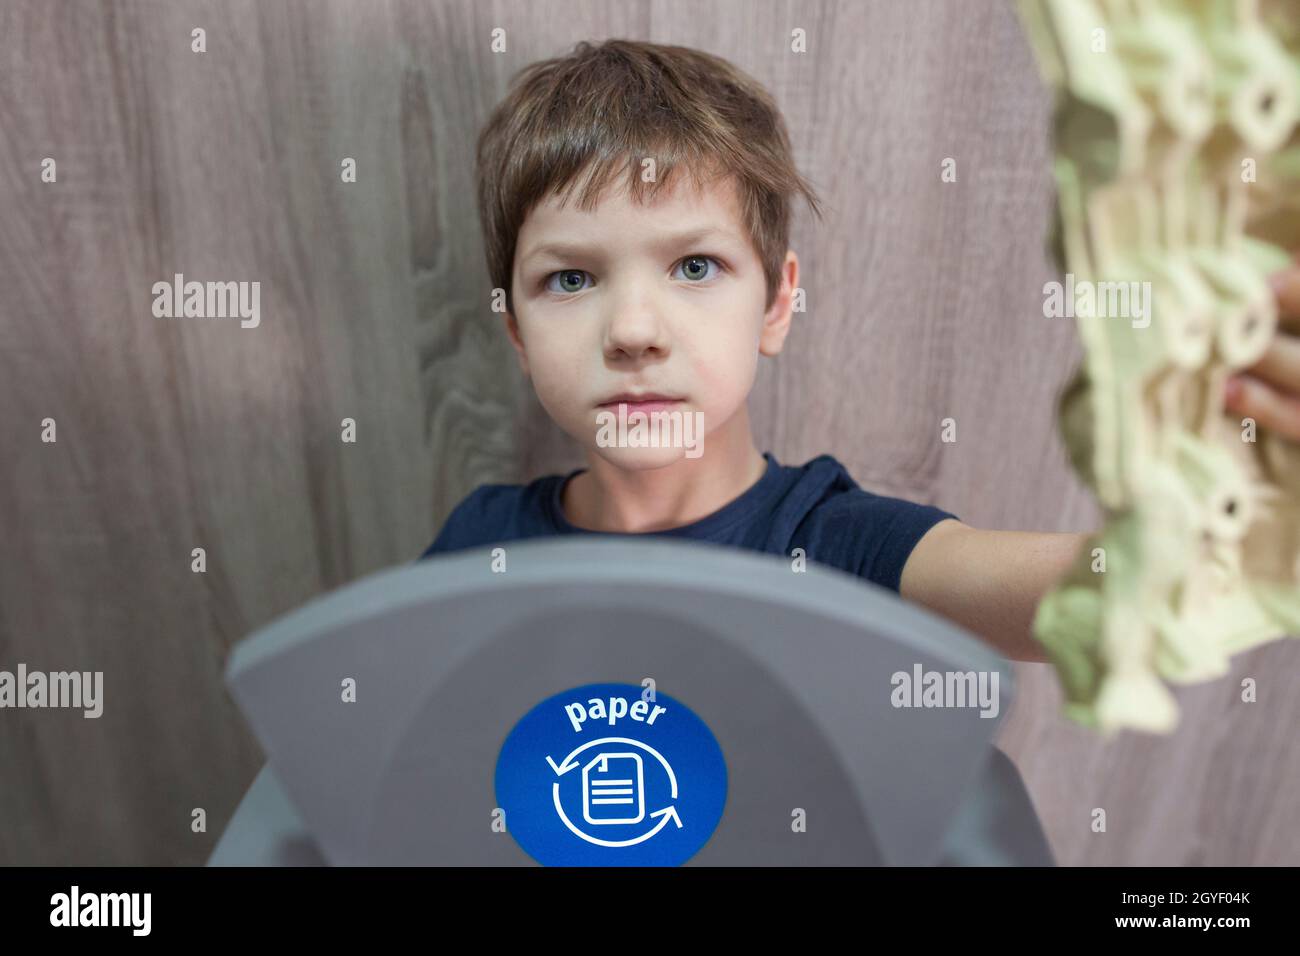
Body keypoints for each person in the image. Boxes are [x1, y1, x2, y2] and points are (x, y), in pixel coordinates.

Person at [421, 38, 1300, 665]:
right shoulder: (479, 544)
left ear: (776, 302)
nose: (634, 330)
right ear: (516, 332)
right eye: (570, 280)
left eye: (696, 265)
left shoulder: (837, 547)